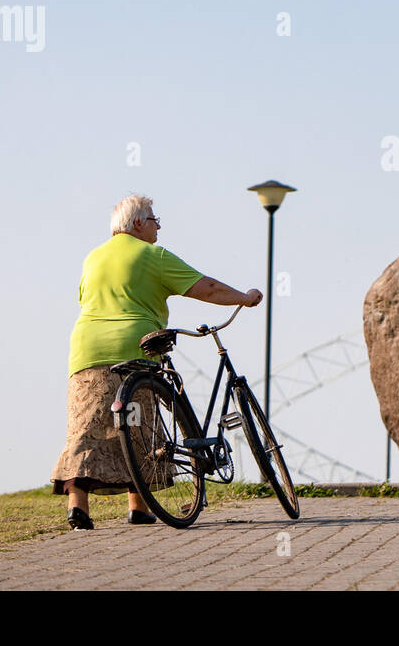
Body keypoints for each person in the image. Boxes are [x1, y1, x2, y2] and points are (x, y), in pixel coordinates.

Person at [51, 195, 262, 529]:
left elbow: (84, 298)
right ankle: (139, 507)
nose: (159, 225)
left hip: (86, 351)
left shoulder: (92, 258)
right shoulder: (152, 255)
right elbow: (205, 288)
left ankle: (78, 507)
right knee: (140, 428)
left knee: (85, 429)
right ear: (137, 224)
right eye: (154, 219)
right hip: (135, 349)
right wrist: (245, 298)